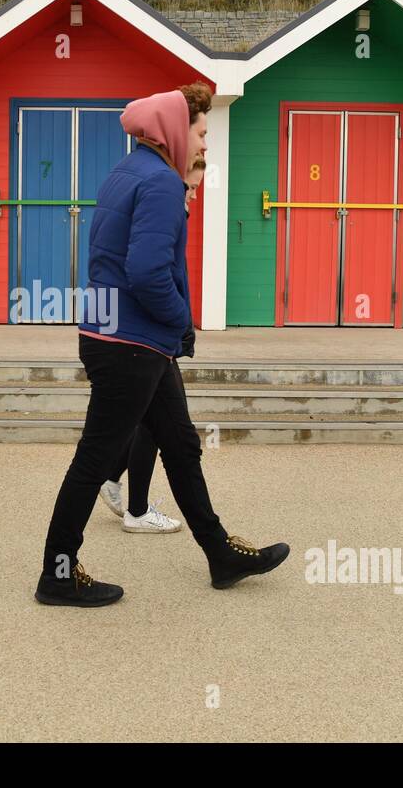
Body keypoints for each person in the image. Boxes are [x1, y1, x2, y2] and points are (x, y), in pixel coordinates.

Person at [35, 84, 290, 607]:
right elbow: (149, 272)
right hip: (134, 344)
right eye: (200, 133)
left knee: (180, 446)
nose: (203, 145)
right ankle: (57, 573)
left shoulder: (125, 174)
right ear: (175, 129)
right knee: (95, 457)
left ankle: (220, 554)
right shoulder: (159, 186)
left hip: (121, 338)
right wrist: (181, 323)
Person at [97, 156, 206, 535]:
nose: (192, 197)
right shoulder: (159, 200)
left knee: (146, 418)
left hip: (144, 331)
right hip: (148, 332)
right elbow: (149, 274)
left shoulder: (158, 203)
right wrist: (180, 321)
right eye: (190, 188)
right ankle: (137, 510)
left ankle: (111, 477)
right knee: (159, 428)